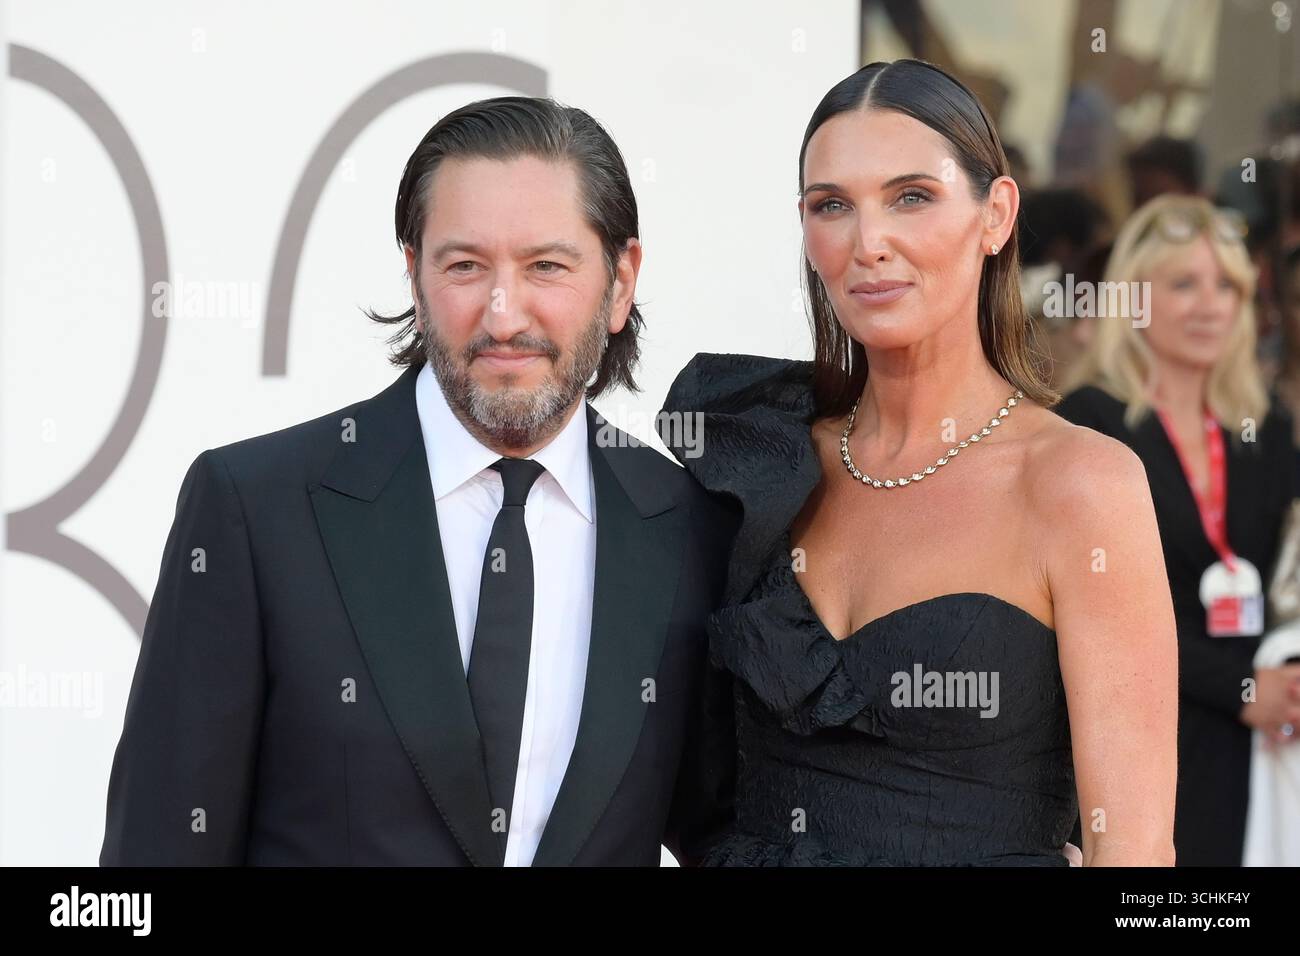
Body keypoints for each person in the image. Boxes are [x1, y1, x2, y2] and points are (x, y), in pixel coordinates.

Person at [100, 96, 736, 866]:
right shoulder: (254, 509)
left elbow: (729, 836)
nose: (503, 316)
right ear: (414, 274)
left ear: (621, 279)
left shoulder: (691, 535)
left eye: (547, 266)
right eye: (465, 266)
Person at [658, 59, 1178, 866]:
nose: (870, 244)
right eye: (832, 206)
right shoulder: (756, 460)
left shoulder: (1079, 484)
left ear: (996, 214)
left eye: (912, 197)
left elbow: (1137, 856)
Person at [1056, 194, 1300, 866]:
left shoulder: (1267, 431)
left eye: (1228, 286)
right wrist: (1240, 685)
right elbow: (1096, 612)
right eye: (1183, 284)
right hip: (1138, 738)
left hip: (1257, 743)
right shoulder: (1091, 421)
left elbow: (1285, 582)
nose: (1210, 305)